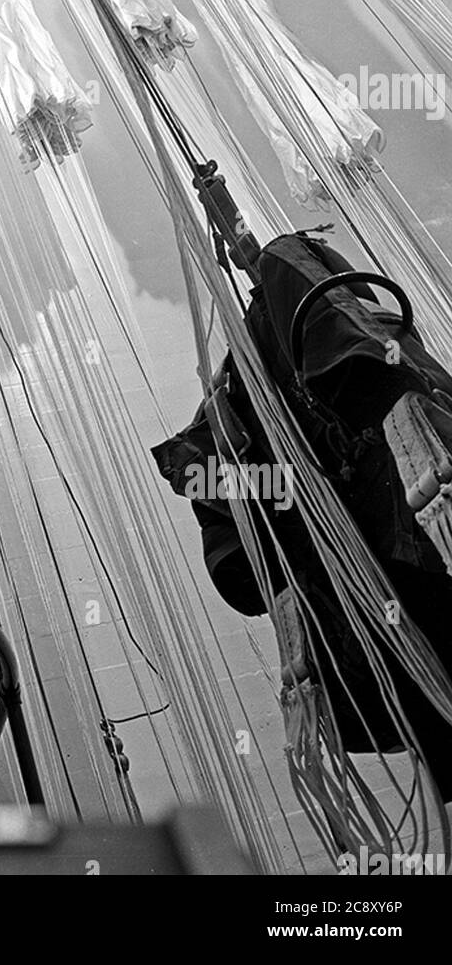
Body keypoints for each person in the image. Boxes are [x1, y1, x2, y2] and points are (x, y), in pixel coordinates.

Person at [153, 231, 452, 800]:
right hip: (380, 596)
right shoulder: (233, 420)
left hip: (379, 618)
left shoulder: (233, 422)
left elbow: (241, 579)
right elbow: (242, 573)